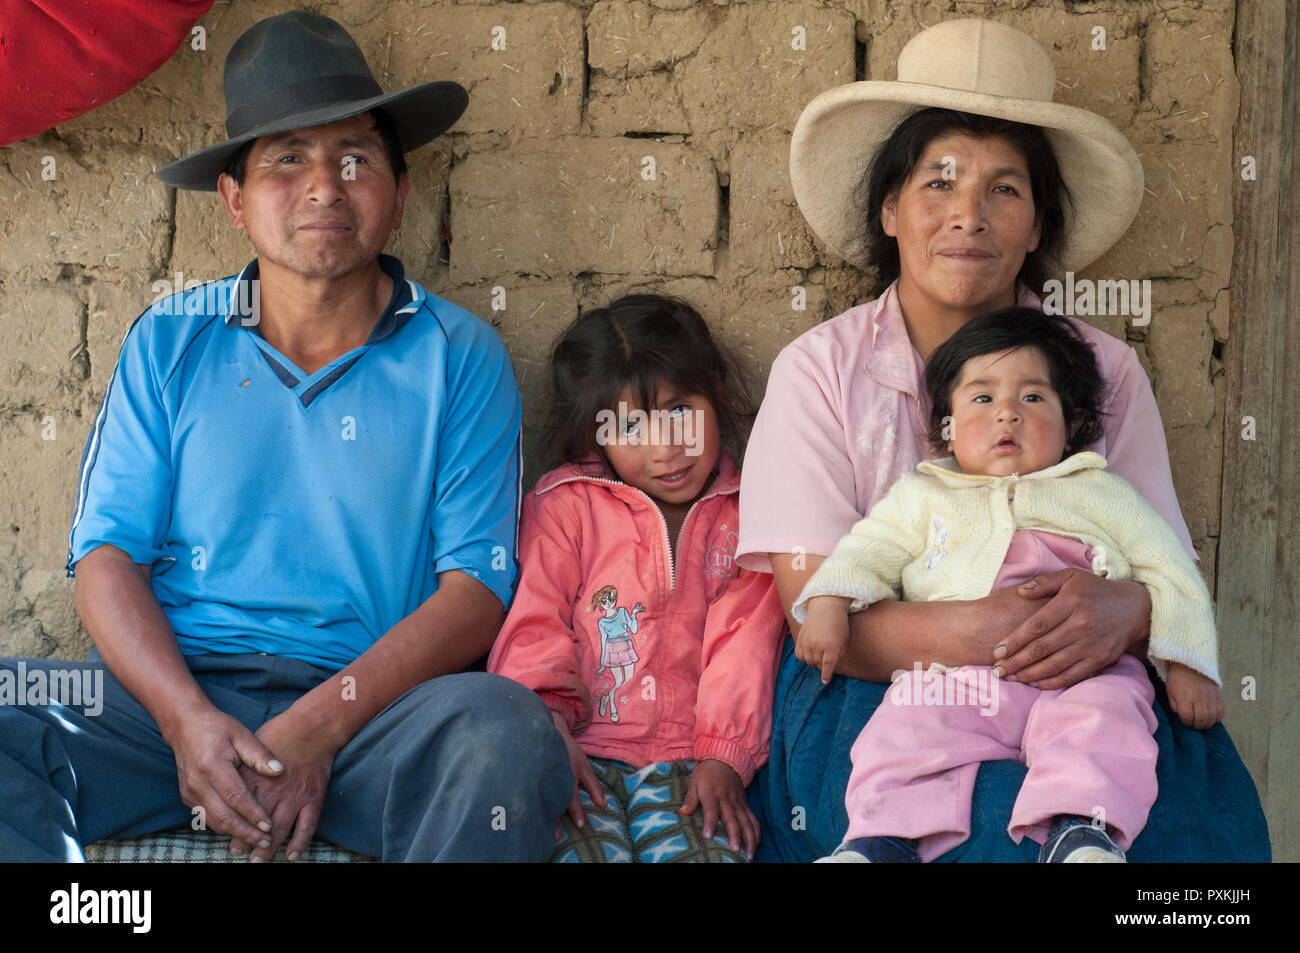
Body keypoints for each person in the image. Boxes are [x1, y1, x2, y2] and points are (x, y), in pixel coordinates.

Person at [0, 10, 570, 862]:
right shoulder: (170, 339)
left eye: (355, 157)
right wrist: (189, 721)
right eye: (287, 160)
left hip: (371, 721)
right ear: (234, 200)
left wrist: (314, 729)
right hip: (161, 714)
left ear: (400, 189)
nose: (325, 188)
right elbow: (106, 559)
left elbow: (474, 593)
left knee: (507, 733)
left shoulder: (459, 356)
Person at [738, 17, 1269, 860]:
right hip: (882, 689)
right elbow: (817, 613)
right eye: (938, 184)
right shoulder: (821, 371)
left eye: (1004, 190)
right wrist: (985, 631)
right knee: (988, 828)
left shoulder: (1105, 370)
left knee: (1184, 837)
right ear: (890, 209)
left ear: (1037, 226)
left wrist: (1125, 609)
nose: (968, 217)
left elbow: (1158, 561)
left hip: (1091, 674)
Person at [794, 307, 1223, 862]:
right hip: (957, 674)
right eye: (981, 399)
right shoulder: (924, 496)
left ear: (1071, 423)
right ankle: (878, 841)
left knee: (1108, 723)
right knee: (907, 726)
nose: (1007, 416)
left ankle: (1084, 836)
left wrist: (1190, 663)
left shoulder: (1101, 492)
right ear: (945, 422)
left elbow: (1168, 568)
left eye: (1032, 398)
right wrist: (828, 603)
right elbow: (865, 551)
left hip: (1082, 671)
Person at [488, 294, 787, 862]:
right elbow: (535, 619)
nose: (666, 447)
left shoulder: (750, 514)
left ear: (715, 395)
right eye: (629, 427)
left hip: (693, 766)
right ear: (594, 435)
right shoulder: (566, 506)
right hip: (577, 755)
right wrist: (545, 729)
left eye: (680, 412)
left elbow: (747, 641)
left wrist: (724, 755)